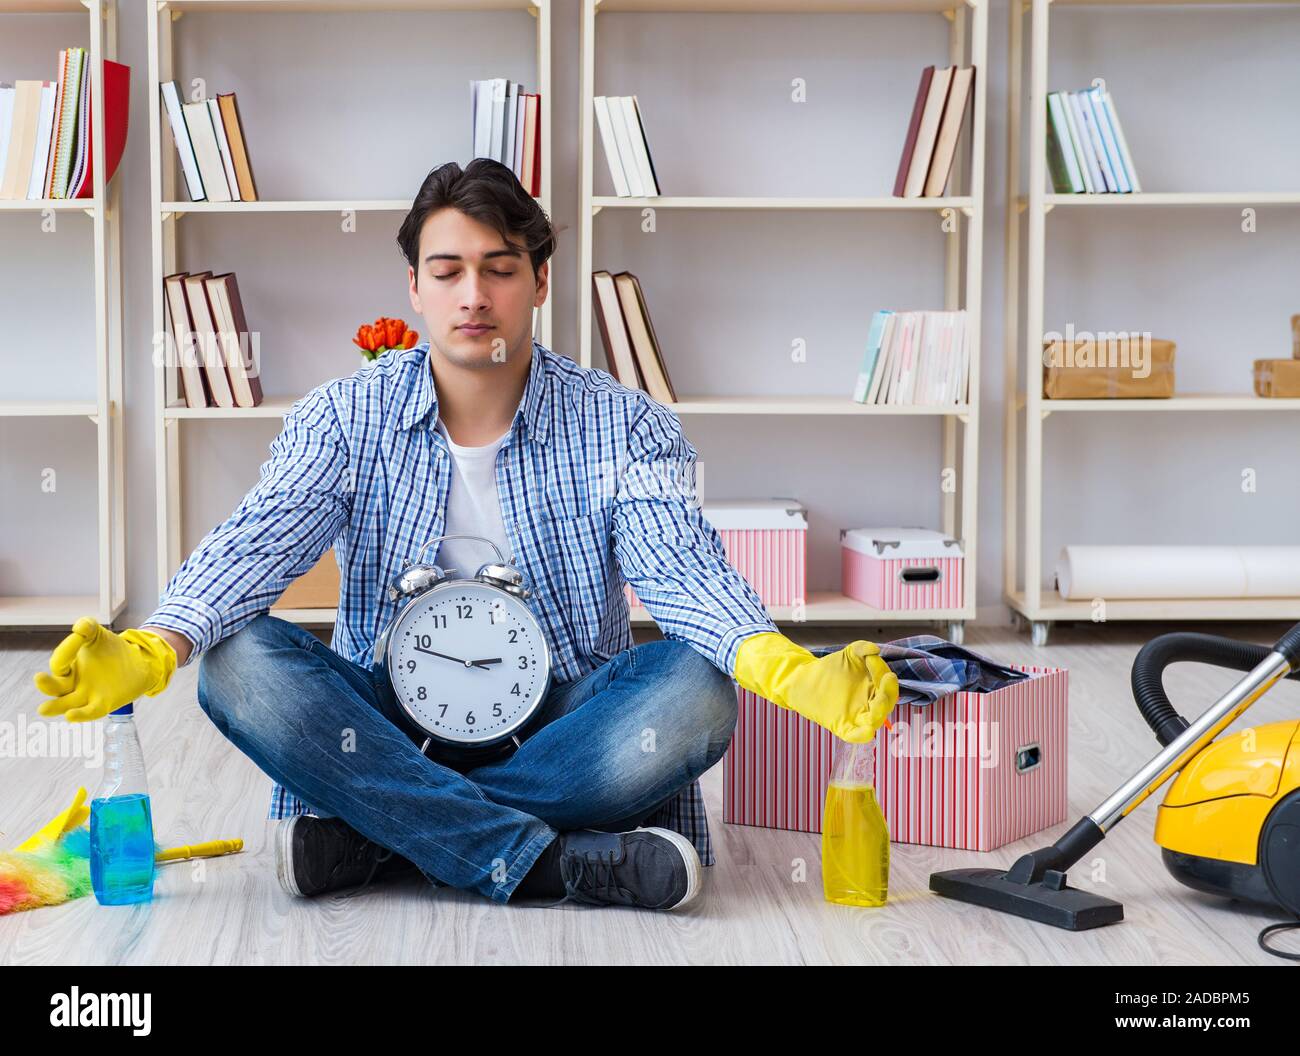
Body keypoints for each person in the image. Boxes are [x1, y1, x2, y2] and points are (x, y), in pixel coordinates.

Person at [32, 158, 898, 913]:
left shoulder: (623, 424)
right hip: (383, 719)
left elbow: (680, 569)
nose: (474, 296)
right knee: (240, 662)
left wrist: (779, 663)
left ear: (540, 279)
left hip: (562, 722)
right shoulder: (344, 416)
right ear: (413, 287)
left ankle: (383, 836)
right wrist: (153, 645)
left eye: (499, 268)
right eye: (446, 271)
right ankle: (552, 863)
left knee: (696, 691)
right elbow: (258, 542)